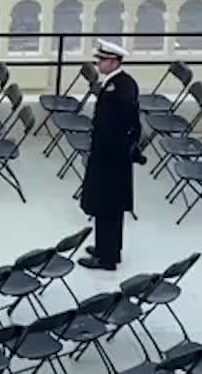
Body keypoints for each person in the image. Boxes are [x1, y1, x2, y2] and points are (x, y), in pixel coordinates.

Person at [79, 40, 141, 271]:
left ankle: (107, 258)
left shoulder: (121, 87)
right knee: (105, 206)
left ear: (114, 61)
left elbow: (127, 123)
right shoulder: (115, 83)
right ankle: (107, 248)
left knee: (108, 206)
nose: (97, 64)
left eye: (101, 60)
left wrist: (115, 151)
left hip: (112, 157)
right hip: (107, 154)